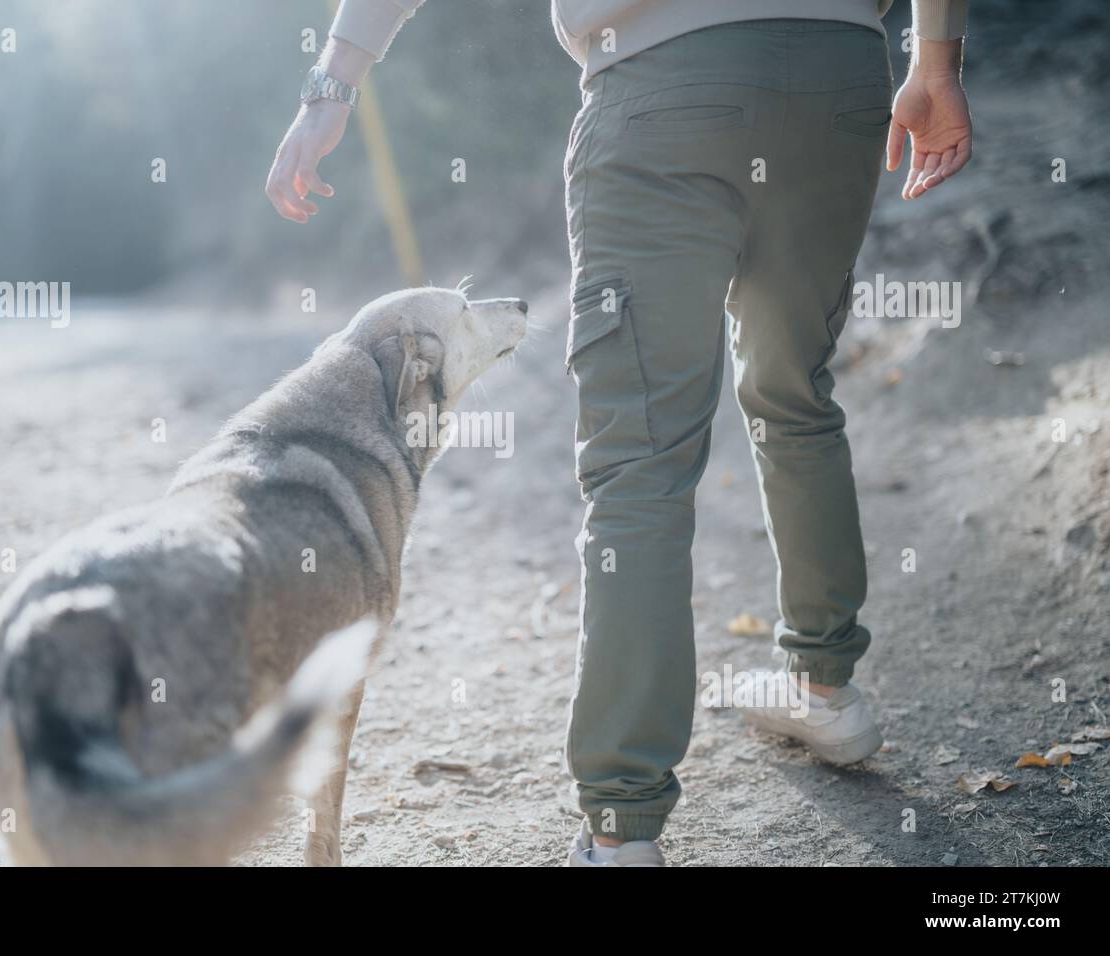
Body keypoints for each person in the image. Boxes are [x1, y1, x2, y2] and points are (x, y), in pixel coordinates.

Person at [266, 0, 972, 867]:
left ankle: (622, 828)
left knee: (640, 458)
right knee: (797, 393)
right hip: (835, 74)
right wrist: (937, 55)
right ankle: (825, 686)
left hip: (661, 75)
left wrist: (333, 83)